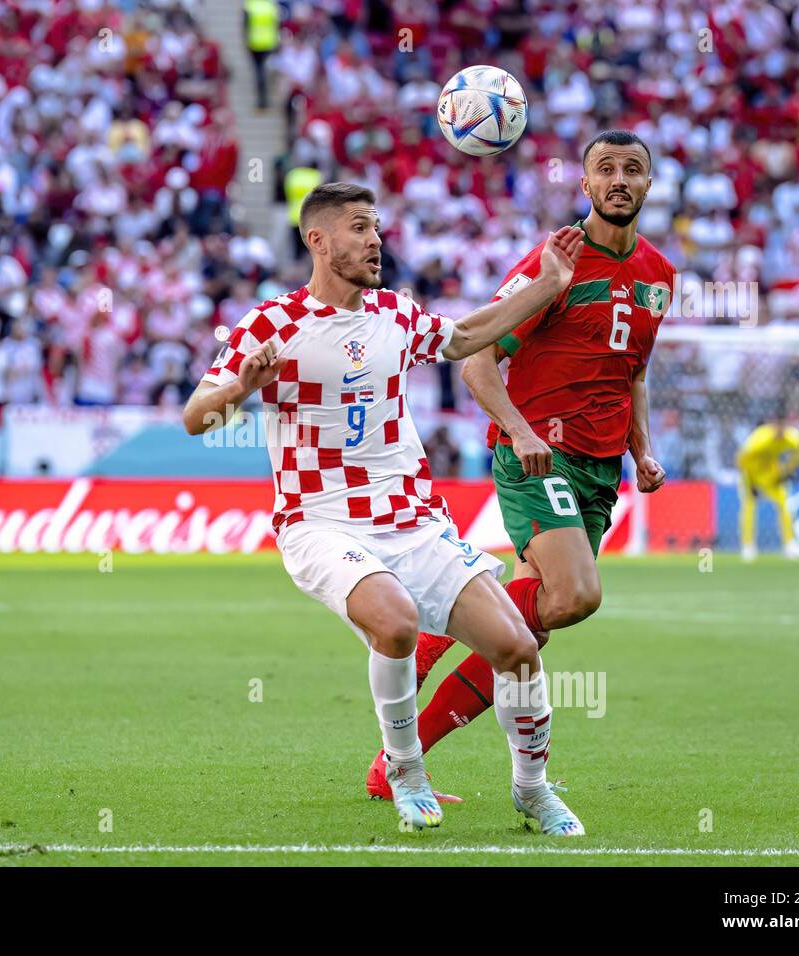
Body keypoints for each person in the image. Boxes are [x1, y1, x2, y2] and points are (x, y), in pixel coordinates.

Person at [183, 181, 587, 834]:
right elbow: (197, 418)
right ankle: (405, 768)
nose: (376, 240)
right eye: (360, 227)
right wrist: (242, 386)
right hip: (320, 523)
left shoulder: (396, 315)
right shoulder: (271, 324)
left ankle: (532, 790)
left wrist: (545, 286)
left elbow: (464, 337)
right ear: (318, 240)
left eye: (377, 227)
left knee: (518, 649)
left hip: (413, 522)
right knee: (395, 622)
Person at [364, 130, 677, 803]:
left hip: (600, 467)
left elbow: (634, 372)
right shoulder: (555, 261)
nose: (619, 180)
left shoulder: (659, 274)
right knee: (575, 596)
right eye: (605, 170)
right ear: (585, 185)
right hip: (538, 454)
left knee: (530, 633)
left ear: (650, 185)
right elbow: (476, 360)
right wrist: (520, 428)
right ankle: (439, 619)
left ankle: (395, 765)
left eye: (633, 170)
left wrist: (640, 447)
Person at [737, 418, 799, 561]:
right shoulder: (759, 439)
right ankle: (748, 546)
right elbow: (741, 460)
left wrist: (786, 471)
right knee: (749, 507)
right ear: (773, 426)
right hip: (752, 474)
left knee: (785, 505)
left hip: (772, 475)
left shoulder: (792, 438)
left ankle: (790, 545)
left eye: (783, 427)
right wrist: (750, 484)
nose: (780, 431)